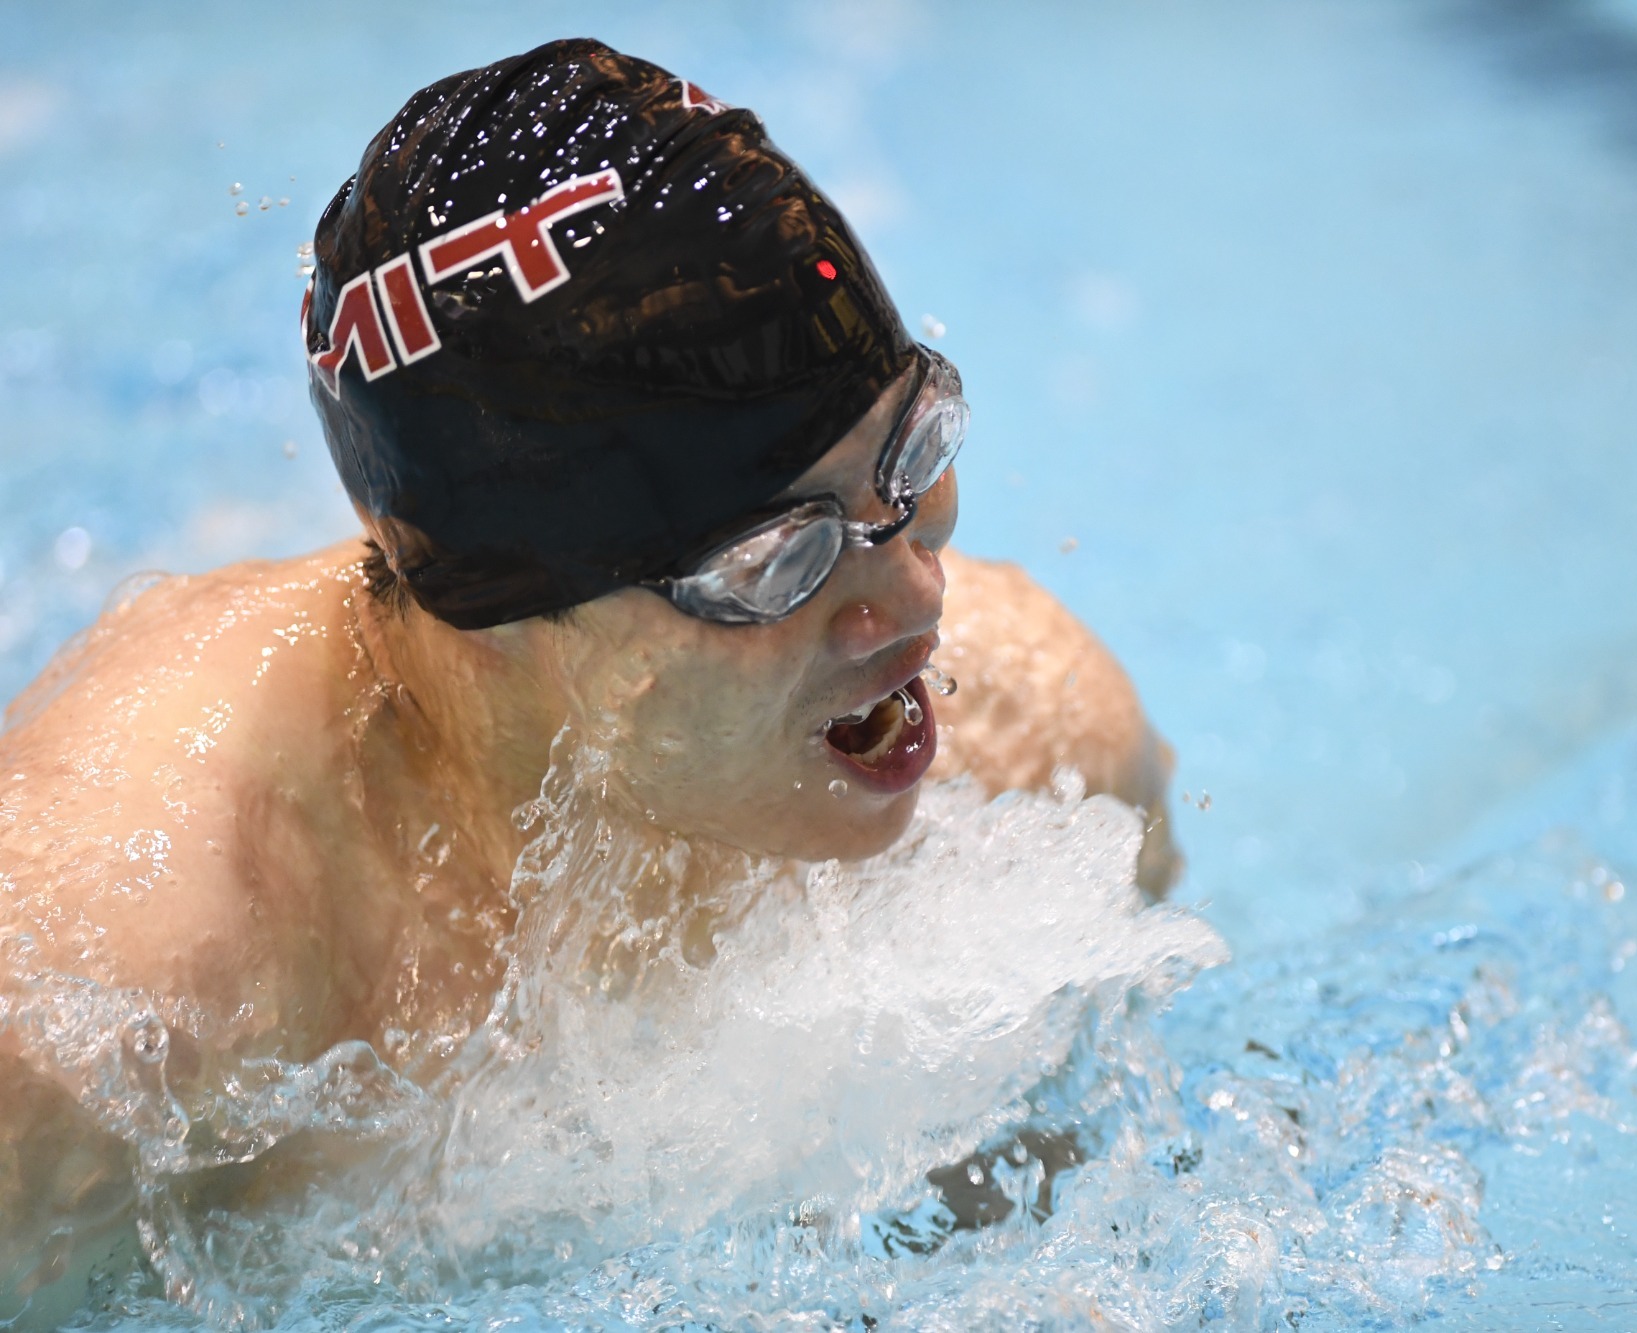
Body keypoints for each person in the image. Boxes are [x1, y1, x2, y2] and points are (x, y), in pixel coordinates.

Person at [0, 38, 1177, 1323]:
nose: (910, 601)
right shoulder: (114, 995)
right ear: (496, 614)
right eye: (776, 561)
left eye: (909, 453)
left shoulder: (1038, 755)